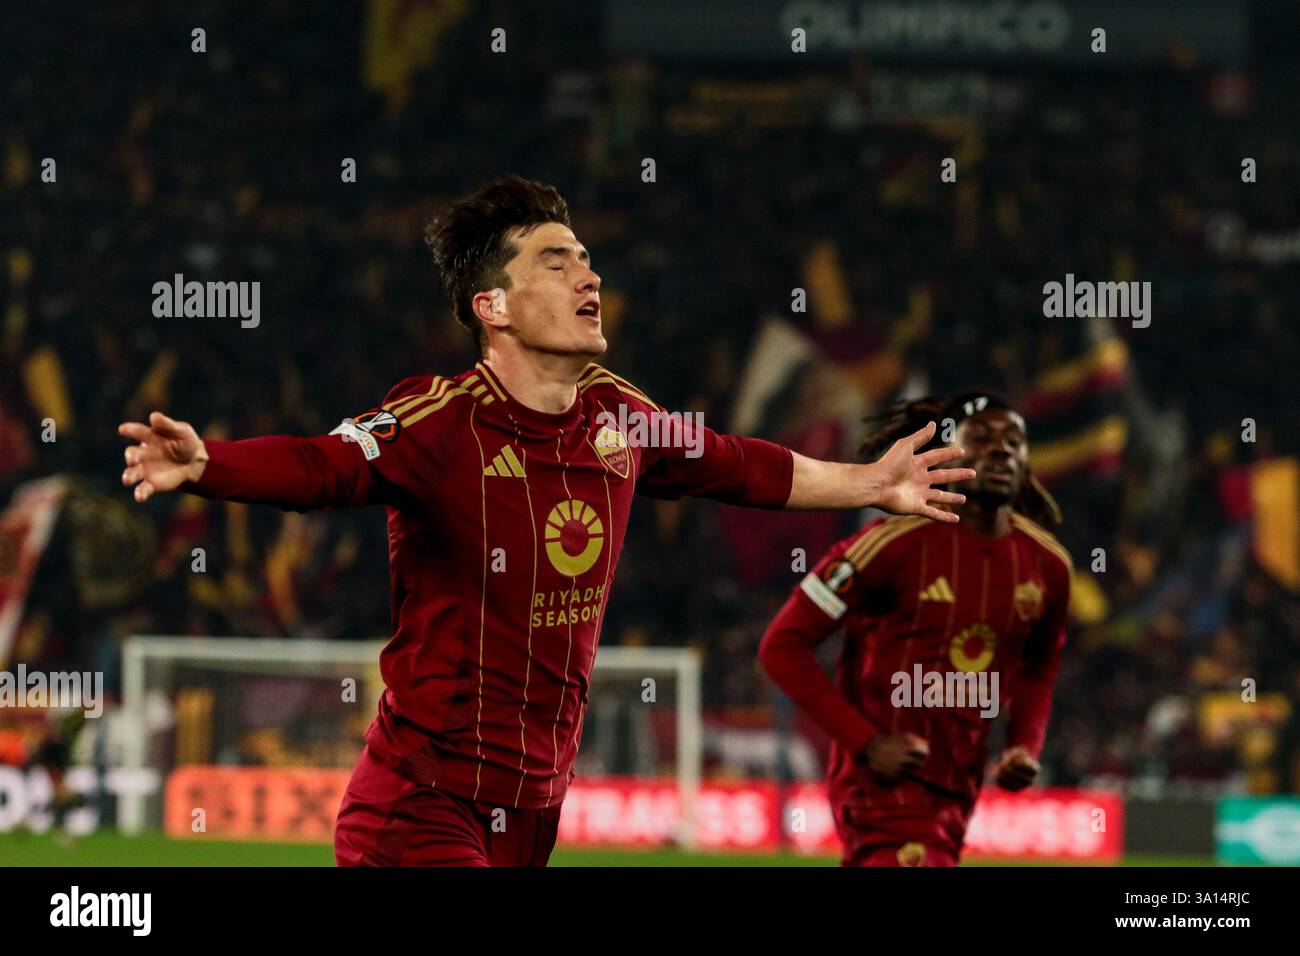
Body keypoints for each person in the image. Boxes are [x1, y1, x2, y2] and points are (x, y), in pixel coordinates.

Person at [118, 176, 974, 866]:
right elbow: (323, 466)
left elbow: (738, 463)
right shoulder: (436, 420)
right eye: (558, 263)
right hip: (420, 806)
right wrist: (208, 464)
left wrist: (871, 480)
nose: (588, 277)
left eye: (587, 259)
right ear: (493, 306)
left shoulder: (620, 414)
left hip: (532, 812)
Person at [759, 392, 1071, 866]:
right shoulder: (891, 544)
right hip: (883, 787)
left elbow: (1040, 665)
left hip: (958, 786)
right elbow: (782, 646)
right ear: (949, 452)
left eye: (1014, 440)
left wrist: (1023, 746)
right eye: (982, 438)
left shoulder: (1048, 567)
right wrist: (868, 743)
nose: (1001, 449)